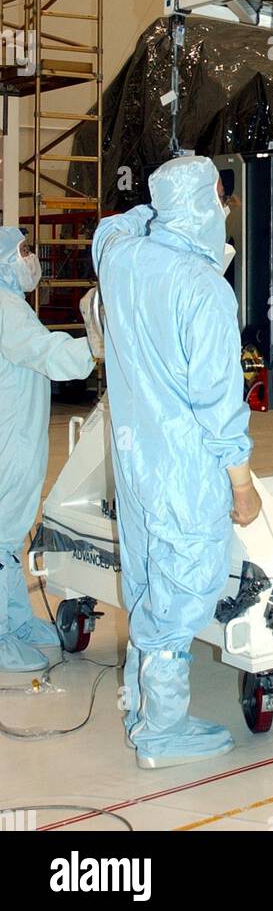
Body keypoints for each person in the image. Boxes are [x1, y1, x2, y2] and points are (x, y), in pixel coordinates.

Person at [93, 156, 260, 769]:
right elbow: (219, 402)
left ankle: (139, 701)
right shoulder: (204, 289)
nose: (226, 208)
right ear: (206, 203)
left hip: (136, 462)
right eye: (220, 196)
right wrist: (241, 483)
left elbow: (109, 229)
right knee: (184, 587)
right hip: (185, 468)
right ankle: (161, 731)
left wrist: (154, 209)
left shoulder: (123, 260)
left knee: (145, 579)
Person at [0, 229, 95, 673]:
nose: (31, 258)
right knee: (1, 538)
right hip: (8, 441)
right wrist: (94, 346)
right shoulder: (5, 309)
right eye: (22, 251)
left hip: (19, 435)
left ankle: (16, 622)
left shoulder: (12, 305)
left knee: (10, 536)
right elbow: (44, 353)